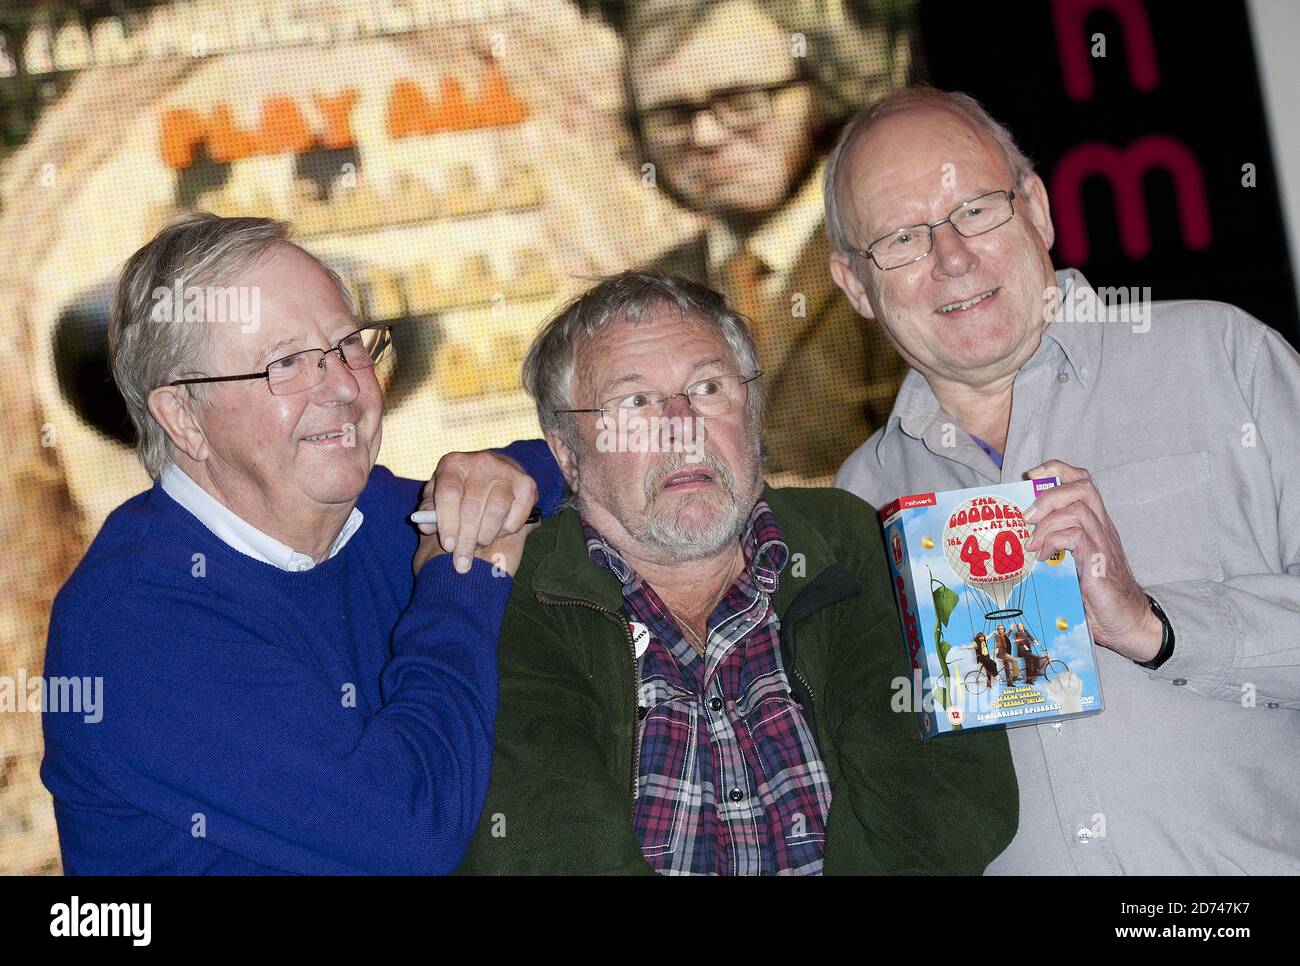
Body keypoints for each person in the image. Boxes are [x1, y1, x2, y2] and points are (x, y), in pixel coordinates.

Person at [825, 86, 1300, 873]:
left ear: (1038, 211)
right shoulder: (857, 500)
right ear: (853, 285)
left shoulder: (1221, 359)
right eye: (903, 239)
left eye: (977, 210)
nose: (952, 258)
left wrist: (1153, 624)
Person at [41, 213, 560, 874]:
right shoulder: (134, 623)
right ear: (184, 417)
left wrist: (500, 472)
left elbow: (582, 468)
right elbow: (409, 831)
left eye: (348, 345)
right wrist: (461, 577)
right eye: (285, 363)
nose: (345, 386)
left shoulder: (366, 510)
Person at [456, 270, 1017, 875]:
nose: (683, 427)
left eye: (707, 388)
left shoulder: (855, 539)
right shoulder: (515, 594)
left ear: (751, 414)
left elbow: (948, 801)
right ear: (567, 454)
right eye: (634, 402)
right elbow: (544, 846)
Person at [624, 0, 912, 478]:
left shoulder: (898, 255)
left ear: (822, 92)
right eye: (672, 115)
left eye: (741, 102)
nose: (706, 135)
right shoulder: (644, 292)